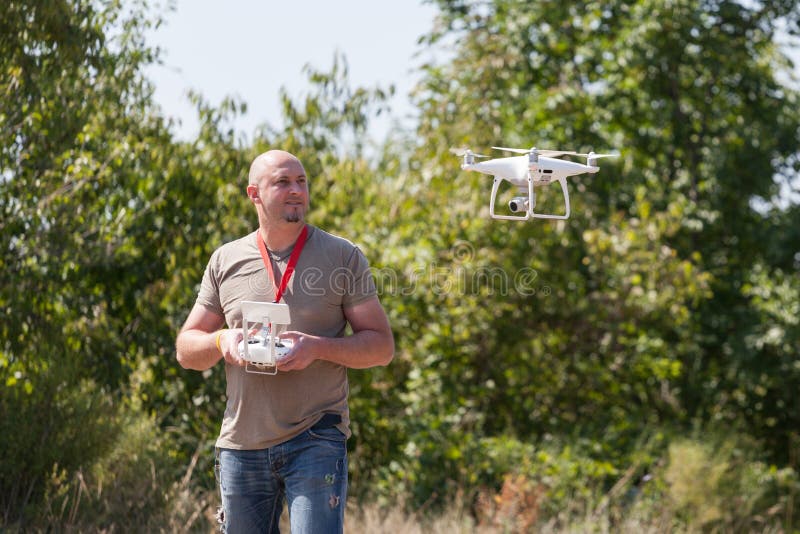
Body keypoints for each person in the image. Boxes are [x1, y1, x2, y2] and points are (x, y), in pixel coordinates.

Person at [176, 150, 394, 533]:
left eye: (302, 182)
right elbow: (186, 349)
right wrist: (222, 340)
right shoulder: (225, 260)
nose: (296, 191)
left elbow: (380, 346)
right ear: (254, 194)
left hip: (316, 437)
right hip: (241, 444)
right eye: (282, 182)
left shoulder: (342, 256)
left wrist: (316, 348)